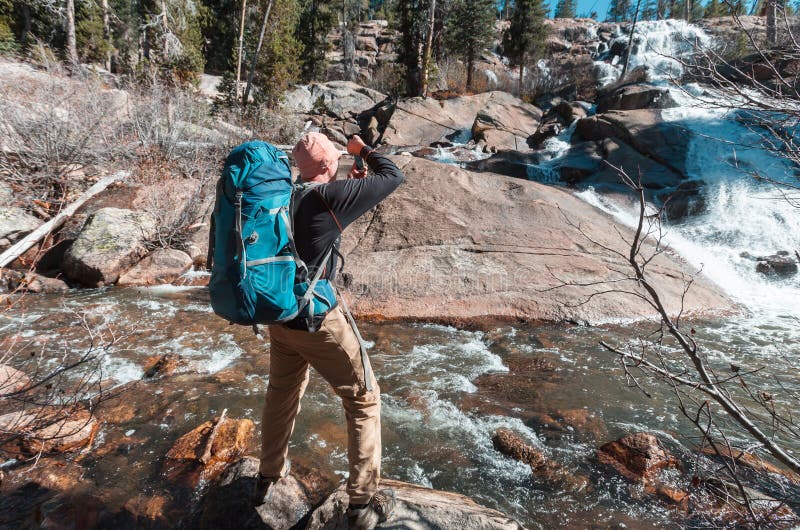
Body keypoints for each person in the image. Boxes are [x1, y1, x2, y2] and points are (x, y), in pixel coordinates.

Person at [254, 132, 405, 529]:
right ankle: (361, 504)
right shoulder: (329, 197)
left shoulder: (286, 194)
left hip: (280, 314)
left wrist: (350, 178)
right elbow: (392, 176)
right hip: (315, 319)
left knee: (282, 392)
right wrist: (363, 151)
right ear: (328, 164)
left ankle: (267, 477)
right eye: (336, 157)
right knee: (364, 398)